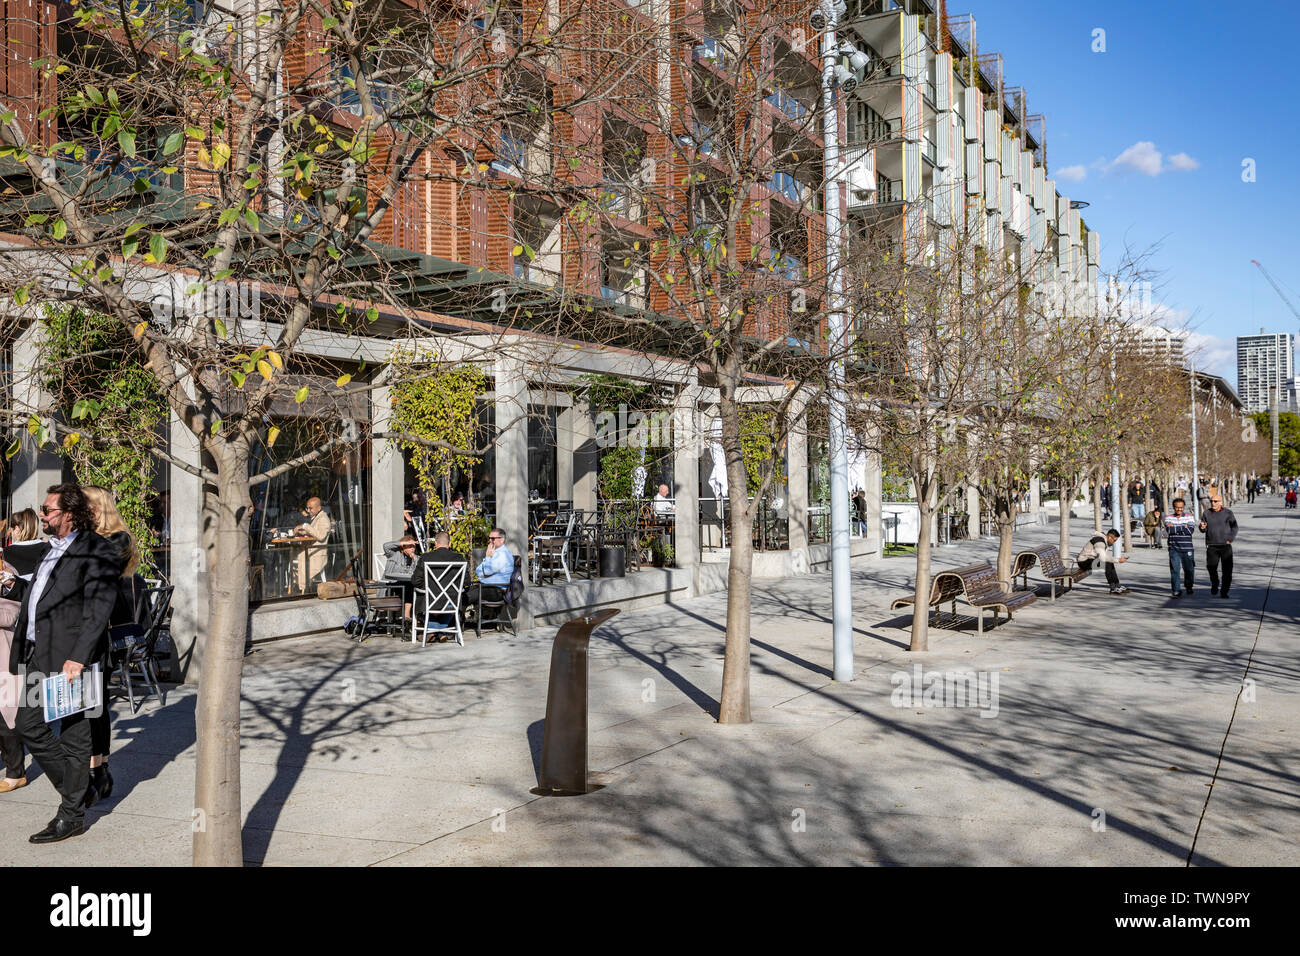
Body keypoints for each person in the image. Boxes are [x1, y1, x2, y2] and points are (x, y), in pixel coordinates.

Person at [7, 484, 120, 844]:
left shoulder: (97, 549)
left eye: (47, 509)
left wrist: (78, 658)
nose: (42, 515)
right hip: (38, 653)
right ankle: (77, 789)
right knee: (28, 725)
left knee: (74, 737)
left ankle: (70, 814)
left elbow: (98, 609)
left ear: (69, 513)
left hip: (73, 659)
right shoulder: (49, 549)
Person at [81, 486, 141, 808]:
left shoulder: (117, 540)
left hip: (101, 630)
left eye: (85, 505)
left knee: (95, 702)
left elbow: (94, 572)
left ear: (100, 507)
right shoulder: (87, 539)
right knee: (93, 702)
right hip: (84, 629)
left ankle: (98, 770)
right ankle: (99, 770)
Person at [0, 555, 26, 794]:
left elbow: (10, 615)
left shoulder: (7, 573)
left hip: (3, 658)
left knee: (6, 719)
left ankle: (15, 772)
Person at [411, 531, 467, 635]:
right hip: (451, 602)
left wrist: (428, 587)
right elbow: (467, 581)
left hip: (429, 601)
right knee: (456, 603)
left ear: (435, 543)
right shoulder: (459, 558)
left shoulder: (425, 557)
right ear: (449, 544)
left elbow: (415, 581)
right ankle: (441, 633)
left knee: (417, 607)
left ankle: (435, 630)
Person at [463, 528, 514, 624]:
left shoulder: (502, 555)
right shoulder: (495, 552)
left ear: (502, 539)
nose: (490, 541)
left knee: (465, 597)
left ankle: (454, 625)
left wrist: (487, 557)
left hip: (497, 591)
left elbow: (485, 570)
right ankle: (455, 624)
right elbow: (479, 571)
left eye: (493, 538)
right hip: (487, 587)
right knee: (463, 593)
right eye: (489, 538)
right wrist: (484, 574)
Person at [1199, 493, 1237, 598]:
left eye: (1215, 501)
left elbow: (1234, 527)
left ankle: (1224, 591)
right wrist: (1202, 527)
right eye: (1211, 501)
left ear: (1221, 502)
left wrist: (1230, 539)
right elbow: (1203, 528)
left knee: (1227, 571)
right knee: (1211, 567)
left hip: (1225, 546)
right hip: (1212, 545)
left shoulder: (1228, 513)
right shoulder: (1206, 513)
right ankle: (1215, 583)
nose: (1213, 503)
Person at [292, 497, 331, 592]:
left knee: (298, 561)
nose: (308, 511)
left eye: (311, 508)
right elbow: (314, 532)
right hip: (310, 552)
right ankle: (300, 588)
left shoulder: (323, 519)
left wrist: (305, 526)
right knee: (293, 560)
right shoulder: (317, 518)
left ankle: (301, 589)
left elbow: (321, 536)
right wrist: (302, 532)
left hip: (316, 554)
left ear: (319, 508)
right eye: (307, 508)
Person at [1076, 529, 1129, 594]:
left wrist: (1115, 560)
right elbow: (1103, 557)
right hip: (1084, 562)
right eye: (1114, 540)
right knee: (1106, 563)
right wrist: (1118, 560)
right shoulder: (1099, 542)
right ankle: (1113, 588)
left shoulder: (1103, 540)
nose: (1114, 542)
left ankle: (1117, 585)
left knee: (1109, 562)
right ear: (1109, 537)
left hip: (1090, 560)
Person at [1164, 497, 1197, 598]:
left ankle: (1189, 586)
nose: (1179, 509)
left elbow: (1190, 530)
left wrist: (1175, 527)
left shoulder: (1190, 517)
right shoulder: (1168, 518)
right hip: (1174, 548)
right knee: (1175, 570)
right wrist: (1183, 527)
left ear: (1184, 507)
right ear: (1174, 508)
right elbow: (1169, 530)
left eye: (1181, 507)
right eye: (1177, 508)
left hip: (1187, 548)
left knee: (1189, 569)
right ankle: (1176, 590)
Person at [3, 508, 49, 579]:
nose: (11, 534)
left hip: (21, 588)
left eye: (11, 530)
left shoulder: (8, 551)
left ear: (17, 529)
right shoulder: (47, 546)